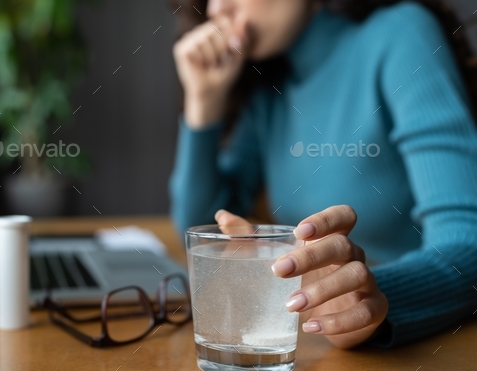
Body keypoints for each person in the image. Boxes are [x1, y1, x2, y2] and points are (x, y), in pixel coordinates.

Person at [169, 0, 477, 349]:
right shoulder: (270, 84)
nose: (216, 8)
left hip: (439, 348)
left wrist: (368, 296)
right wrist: (203, 104)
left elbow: (468, 242)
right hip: (324, 346)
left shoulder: (400, 33)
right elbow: (201, 237)